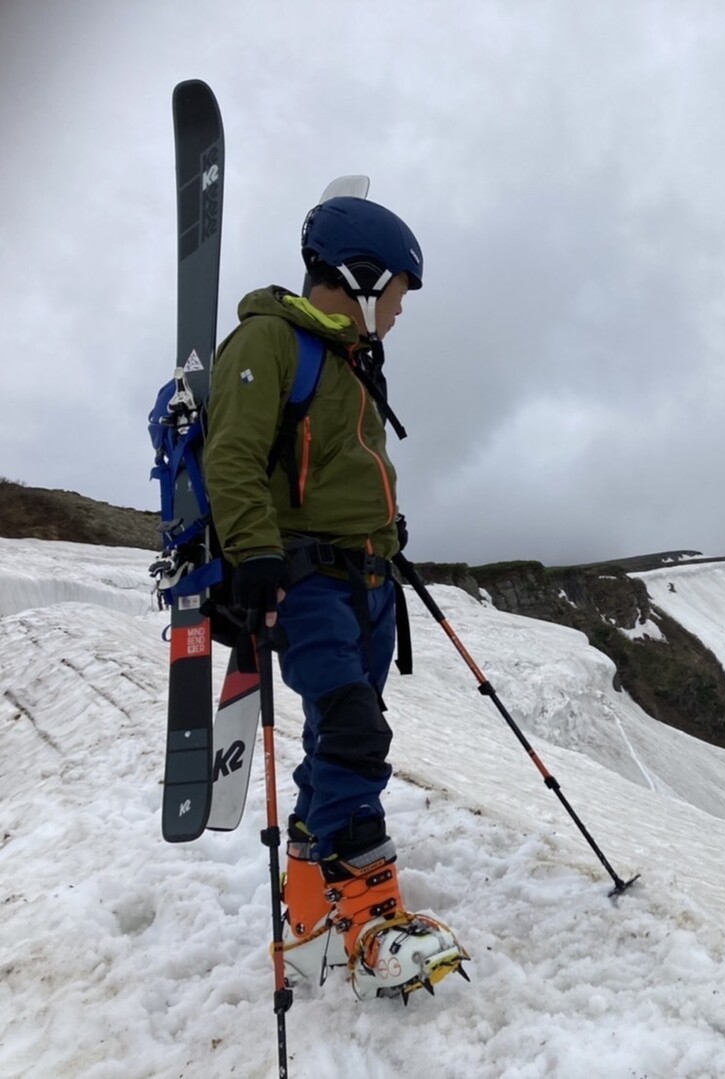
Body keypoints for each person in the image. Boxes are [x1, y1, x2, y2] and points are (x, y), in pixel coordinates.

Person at [205, 195, 466, 999]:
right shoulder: (269, 342)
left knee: (337, 734)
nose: (395, 313)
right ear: (359, 276)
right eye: (394, 295)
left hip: (371, 579)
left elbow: (347, 466)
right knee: (355, 729)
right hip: (307, 580)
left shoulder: (351, 358)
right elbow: (233, 457)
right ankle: (369, 920)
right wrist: (251, 555)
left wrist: (385, 532)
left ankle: (314, 888)